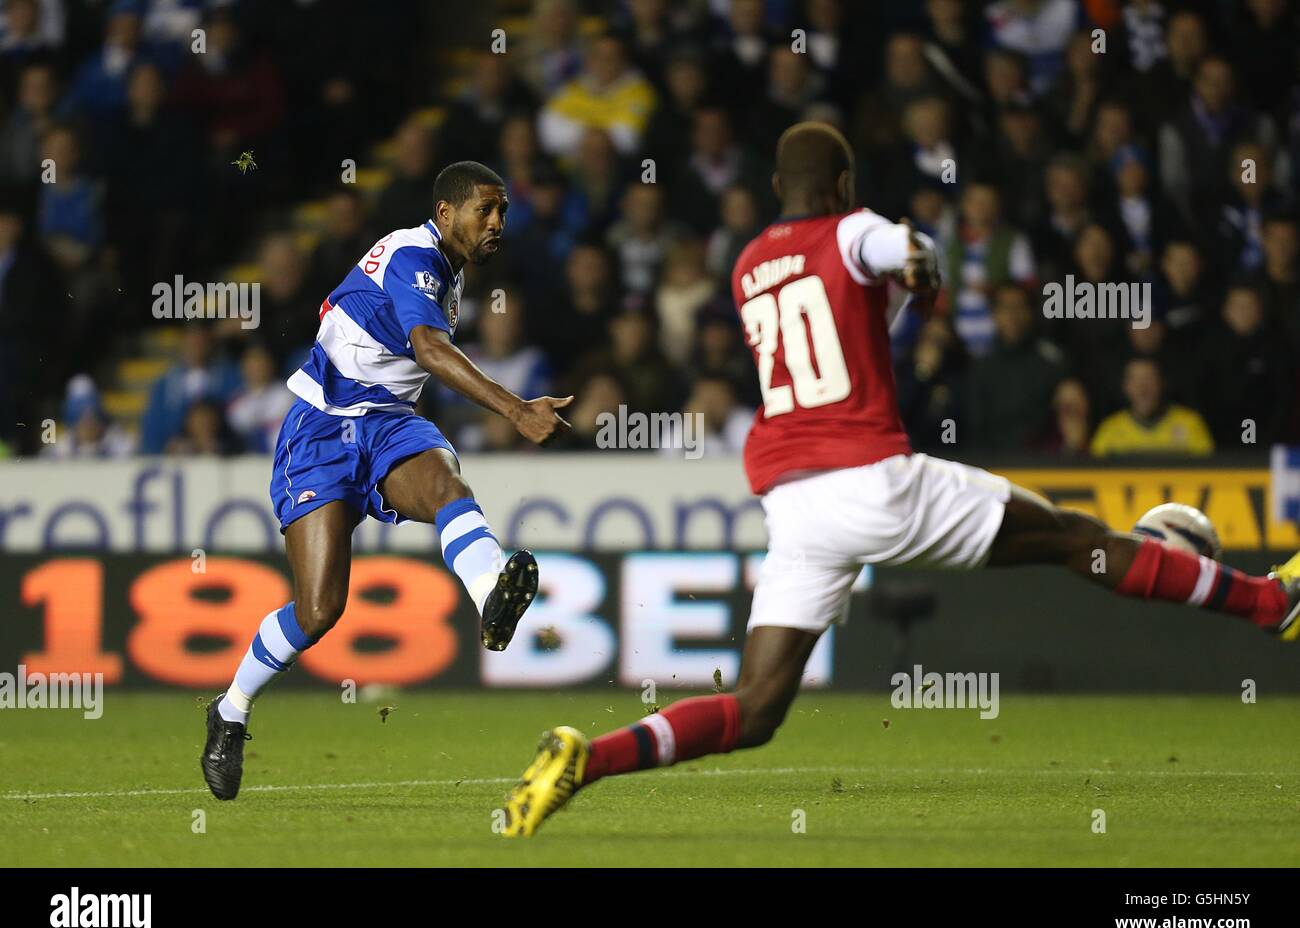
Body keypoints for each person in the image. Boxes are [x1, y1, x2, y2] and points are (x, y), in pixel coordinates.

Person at [499, 121, 1300, 837]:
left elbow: (839, 318)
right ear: (843, 188)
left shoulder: (746, 266)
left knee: (756, 707)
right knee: (1077, 541)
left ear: (778, 190)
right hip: (874, 479)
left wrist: (896, 291)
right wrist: (916, 264)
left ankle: (585, 758)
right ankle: (1272, 603)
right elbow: (894, 249)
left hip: (796, 506)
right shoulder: (854, 231)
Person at [200, 162, 574, 801]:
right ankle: (230, 711)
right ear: (446, 211)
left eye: (504, 211)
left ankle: (491, 592)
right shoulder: (414, 254)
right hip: (320, 429)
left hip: (389, 424)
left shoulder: (446, 273)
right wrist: (515, 409)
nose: (496, 223)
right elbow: (428, 348)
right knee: (320, 611)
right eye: (485, 209)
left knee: (449, 487)